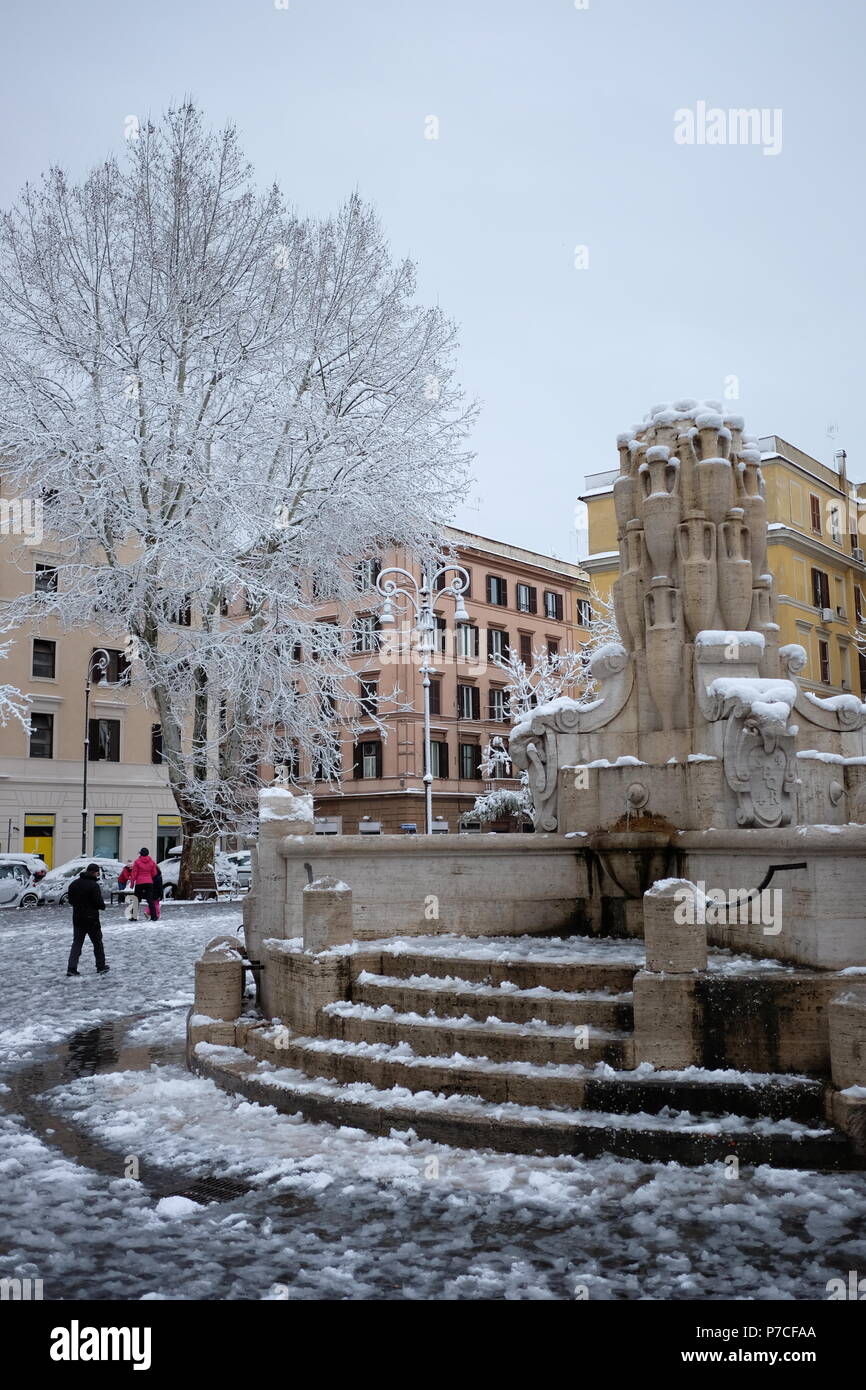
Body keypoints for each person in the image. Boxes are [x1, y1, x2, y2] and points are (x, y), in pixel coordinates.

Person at [66, 863, 109, 977]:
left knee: (77, 943)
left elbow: (70, 901)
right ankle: (101, 966)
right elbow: (99, 903)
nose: (97, 874)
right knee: (97, 943)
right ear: (94, 872)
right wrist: (102, 906)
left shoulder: (74, 884)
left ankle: (71, 968)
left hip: (78, 918)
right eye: (97, 873)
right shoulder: (94, 885)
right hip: (92, 919)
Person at [129, 846, 161, 921]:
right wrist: (149, 877)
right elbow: (154, 873)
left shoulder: (137, 862)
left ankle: (134, 916)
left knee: (137, 899)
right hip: (149, 882)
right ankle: (154, 916)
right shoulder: (152, 862)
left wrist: (132, 883)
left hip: (139, 882)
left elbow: (134, 873)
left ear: (140, 854)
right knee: (150, 900)